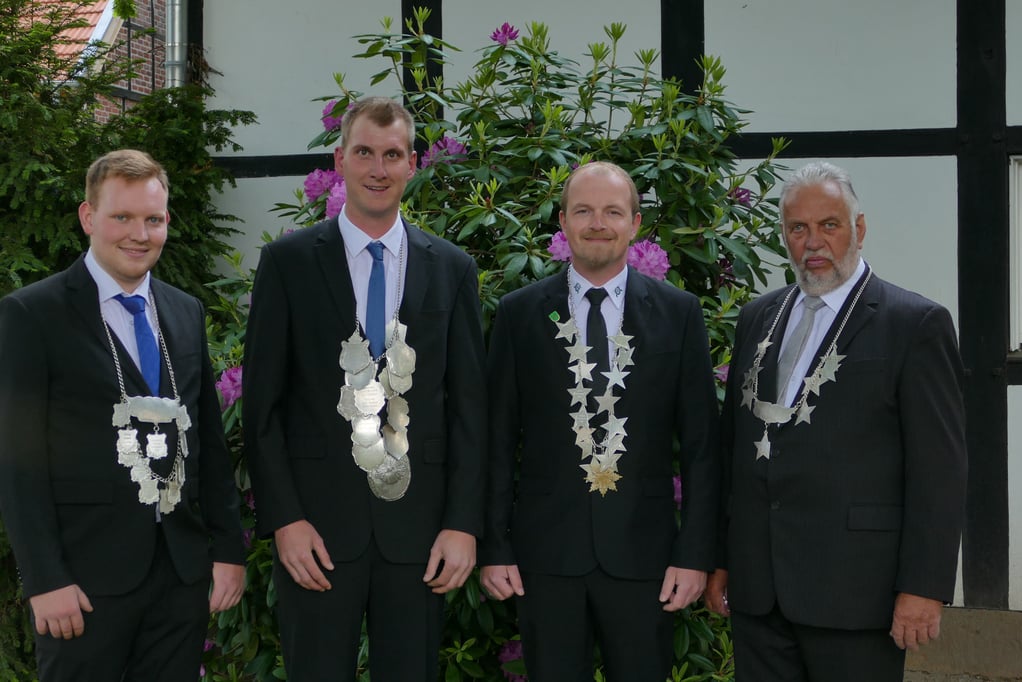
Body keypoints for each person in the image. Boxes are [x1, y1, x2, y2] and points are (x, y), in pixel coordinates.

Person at [242, 96, 487, 681]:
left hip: (420, 532)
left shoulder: (451, 268)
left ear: (412, 164)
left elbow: (469, 410)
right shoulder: (287, 263)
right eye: (365, 153)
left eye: (393, 155)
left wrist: (462, 523)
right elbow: (262, 408)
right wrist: (285, 521)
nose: (379, 168)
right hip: (316, 531)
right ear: (340, 159)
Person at [707, 161, 968, 682]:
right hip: (760, 591)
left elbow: (939, 470)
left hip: (856, 591)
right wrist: (722, 557)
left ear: (859, 228)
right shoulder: (758, 317)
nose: (813, 242)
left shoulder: (913, 324)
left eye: (829, 225)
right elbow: (732, 449)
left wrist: (923, 587)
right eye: (798, 228)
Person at [0, 149, 246, 681]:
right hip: (82, 584)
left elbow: (207, 441)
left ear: (167, 221)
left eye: (153, 219)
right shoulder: (32, 315)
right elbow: (18, 465)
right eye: (122, 217)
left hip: (179, 578)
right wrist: (44, 579)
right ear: (88, 217)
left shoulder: (184, 310)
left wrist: (229, 550)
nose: (139, 234)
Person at [480, 161, 720, 681]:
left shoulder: (678, 314)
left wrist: (695, 554)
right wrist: (493, 545)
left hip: (646, 556)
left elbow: (702, 446)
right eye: (583, 211)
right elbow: (495, 440)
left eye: (612, 211)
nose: (597, 223)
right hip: (545, 556)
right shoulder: (520, 314)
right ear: (563, 222)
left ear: (635, 223)